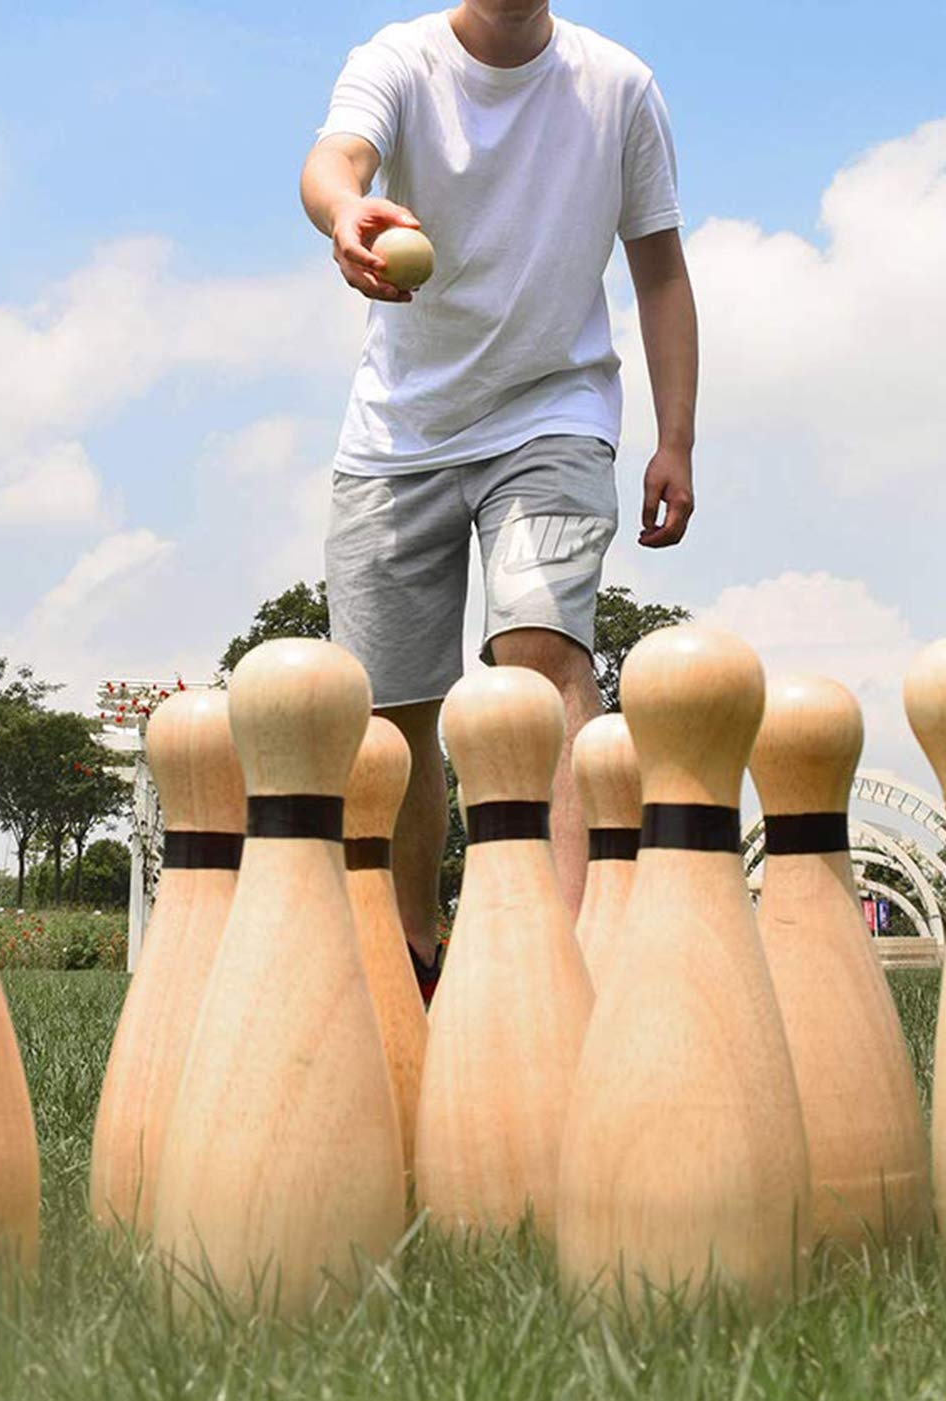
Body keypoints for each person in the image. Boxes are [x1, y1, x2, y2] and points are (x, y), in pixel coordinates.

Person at [301, 1, 698, 990]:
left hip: (552, 413)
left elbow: (658, 274)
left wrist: (674, 440)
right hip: (398, 433)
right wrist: (345, 211)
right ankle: (414, 956)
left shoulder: (618, 86)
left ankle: (551, 954)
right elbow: (333, 160)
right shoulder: (398, 58)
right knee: (391, 721)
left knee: (537, 653)